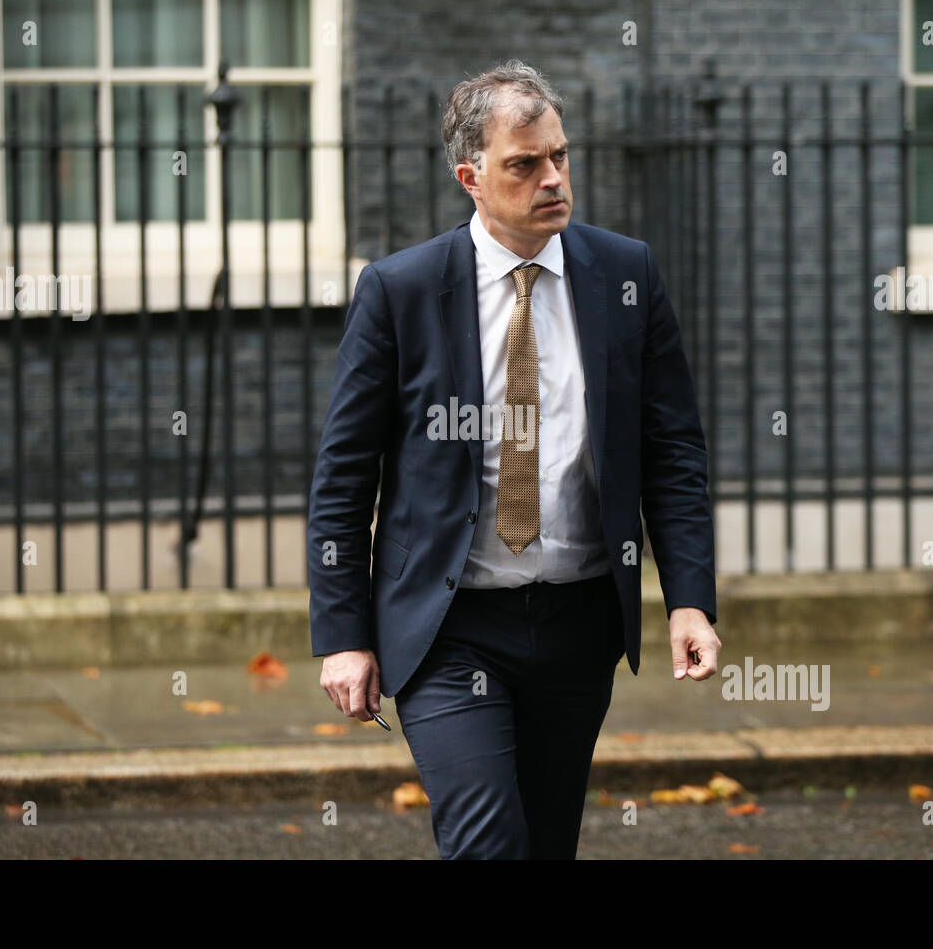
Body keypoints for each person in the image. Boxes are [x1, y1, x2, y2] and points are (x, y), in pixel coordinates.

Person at [306, 59, 720, 859]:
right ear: (471, 176)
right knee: (488, 845)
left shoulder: (625, 275)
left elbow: (672, 452)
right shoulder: (402, 291)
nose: (552, 179)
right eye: (524, 165)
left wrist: (690, 600)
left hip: (578, 619)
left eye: (559, 156)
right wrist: (343, 633)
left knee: (546, 841)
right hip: (448, 623)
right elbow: (343, 475)